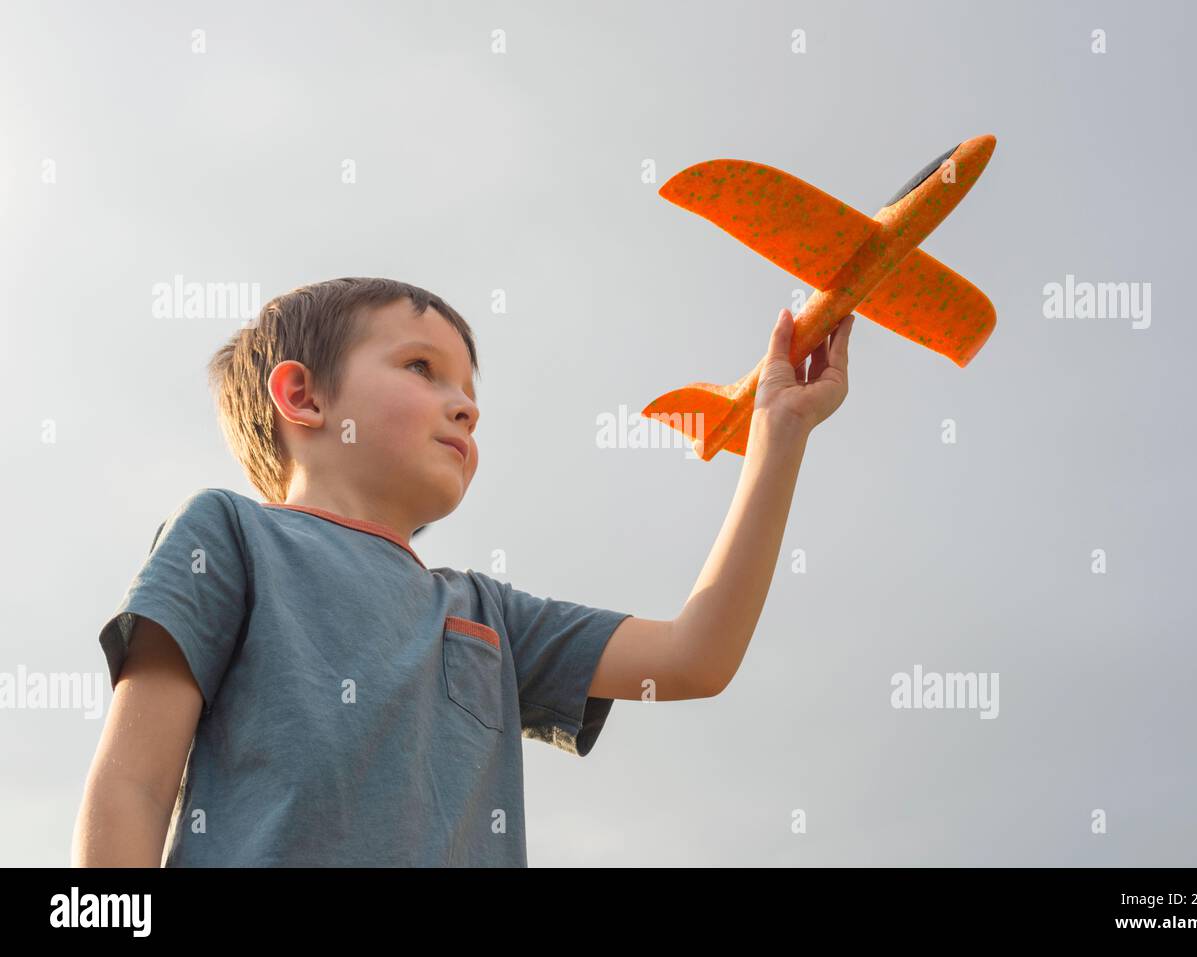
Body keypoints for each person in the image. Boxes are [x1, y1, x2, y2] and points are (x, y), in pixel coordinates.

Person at [71, 277, 854, 866]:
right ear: (302, 396)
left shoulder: (492, 612)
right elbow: (132, 785)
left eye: (470, 393)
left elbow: (696, 655)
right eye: (423, 367)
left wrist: (777, 435)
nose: (465, 407)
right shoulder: (228, 532)